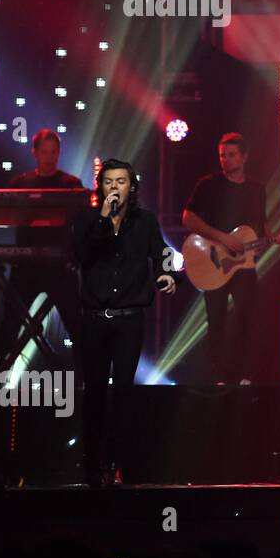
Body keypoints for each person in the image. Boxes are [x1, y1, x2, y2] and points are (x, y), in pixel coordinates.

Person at [71, 159, 178, 487]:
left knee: (123, 392)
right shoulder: (88, 220)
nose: (114, 187)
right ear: (100, 187)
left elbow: (162, 252)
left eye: (121, 181)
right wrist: (103, 220)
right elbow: (81, 255)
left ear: (132, 187)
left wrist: (166, 273)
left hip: (129, 320)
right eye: (108, 181)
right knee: (94, 394)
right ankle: (92, 466)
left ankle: (117, 464)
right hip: (94, 321)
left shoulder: (144, 221)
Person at [182, 133, 267, 383]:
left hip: (244, 264)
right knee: (216, 320)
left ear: (245, 157)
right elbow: (188, 218)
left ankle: (242, 376)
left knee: (247, 318)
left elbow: (260, 226)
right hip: (213, 262)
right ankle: (217, 376)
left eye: (231, 155)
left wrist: (264, 242)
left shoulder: (256, 189)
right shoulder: (208, 185)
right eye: (222, 155)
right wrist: (221, 237)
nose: (225, 160)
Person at [0, 129, 85, 359]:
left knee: (78, 327)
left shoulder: (71, 184)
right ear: (35, 152)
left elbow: (83, 220)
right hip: (25, 268)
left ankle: (90, 387)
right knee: (9, 326)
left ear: (59, 153)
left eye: (53, 152)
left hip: (61, 267)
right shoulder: (20, 183)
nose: (49, 157)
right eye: (44, 152)